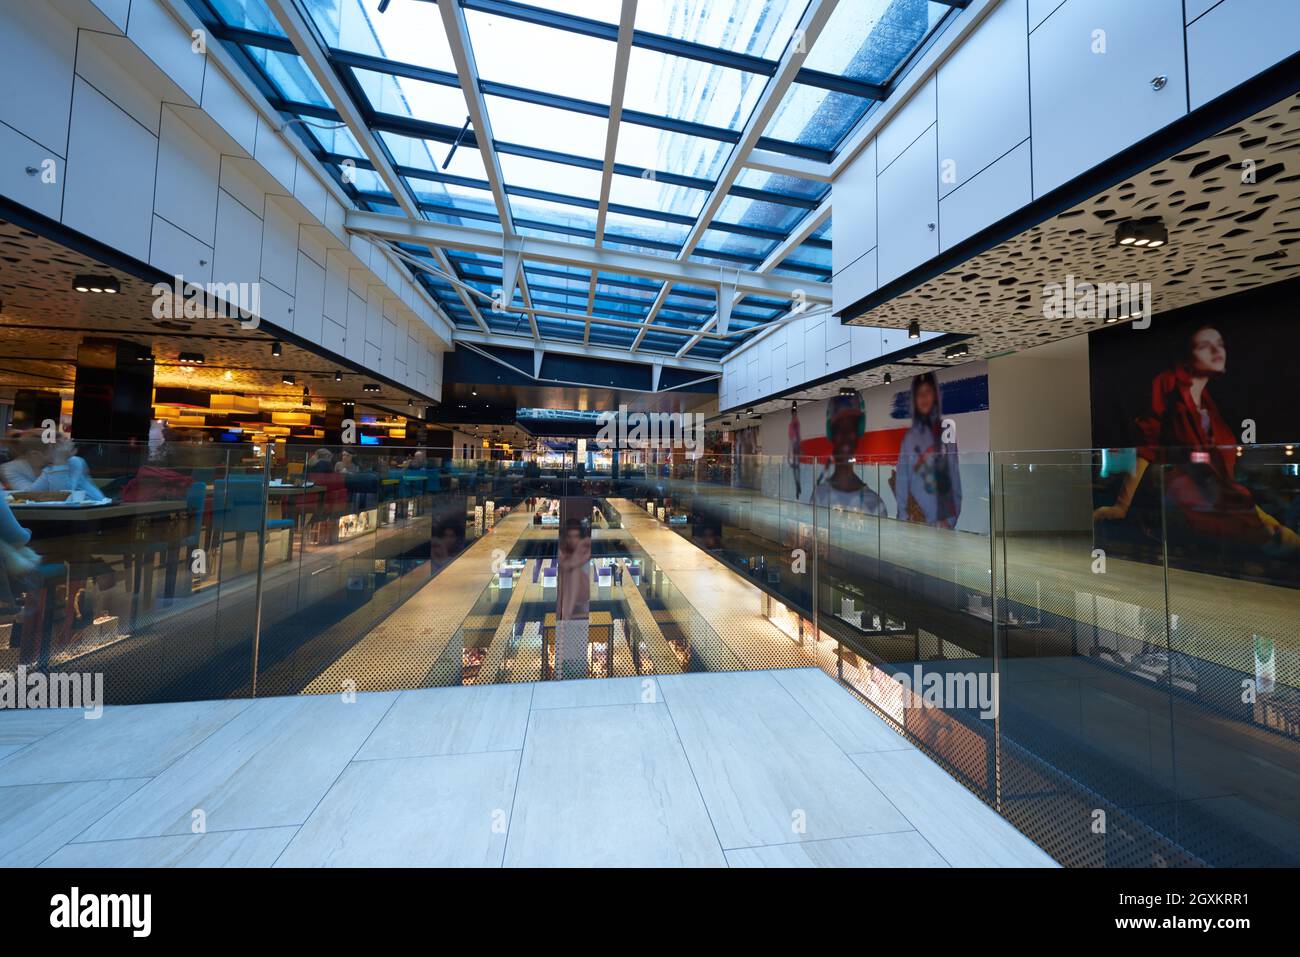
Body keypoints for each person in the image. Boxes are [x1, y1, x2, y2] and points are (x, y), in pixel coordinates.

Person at [1094, 324, 1299, 553]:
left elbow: (1222, 474)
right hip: (1187, 500)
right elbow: (1146, 449)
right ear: (1188, 355)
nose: (1216, 351)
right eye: (1205, 346)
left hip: (1219, 500)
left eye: (1219, 344)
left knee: (1282, 538)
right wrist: (1122, 505)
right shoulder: (1168, 386)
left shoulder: (1209, 406)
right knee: (1275, 542)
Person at [894, 373, 962, 527]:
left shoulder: (946, 430)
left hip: (942, 523)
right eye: (919, 394)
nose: (924, 397)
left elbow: (954, 477)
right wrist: (903, 519)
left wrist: (951, 520)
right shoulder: (909, 438)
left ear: (935, 395)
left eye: (928, 392)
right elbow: (902, 483)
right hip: (915, 524)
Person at [812, 391, 885, 514]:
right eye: (839, 428)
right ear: (831, 433)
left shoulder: (875, 504)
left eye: (851, 426)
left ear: (858, 432)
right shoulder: (819, 496)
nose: (846, 435)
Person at [31, 434, 109, 501]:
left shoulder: (74, 461)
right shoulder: (49, 467)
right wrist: (59, 461)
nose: (65, 449)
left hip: (93, 511)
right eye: (62, 445)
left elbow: (64, 496)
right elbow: (29, 495)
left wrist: (60, 462)